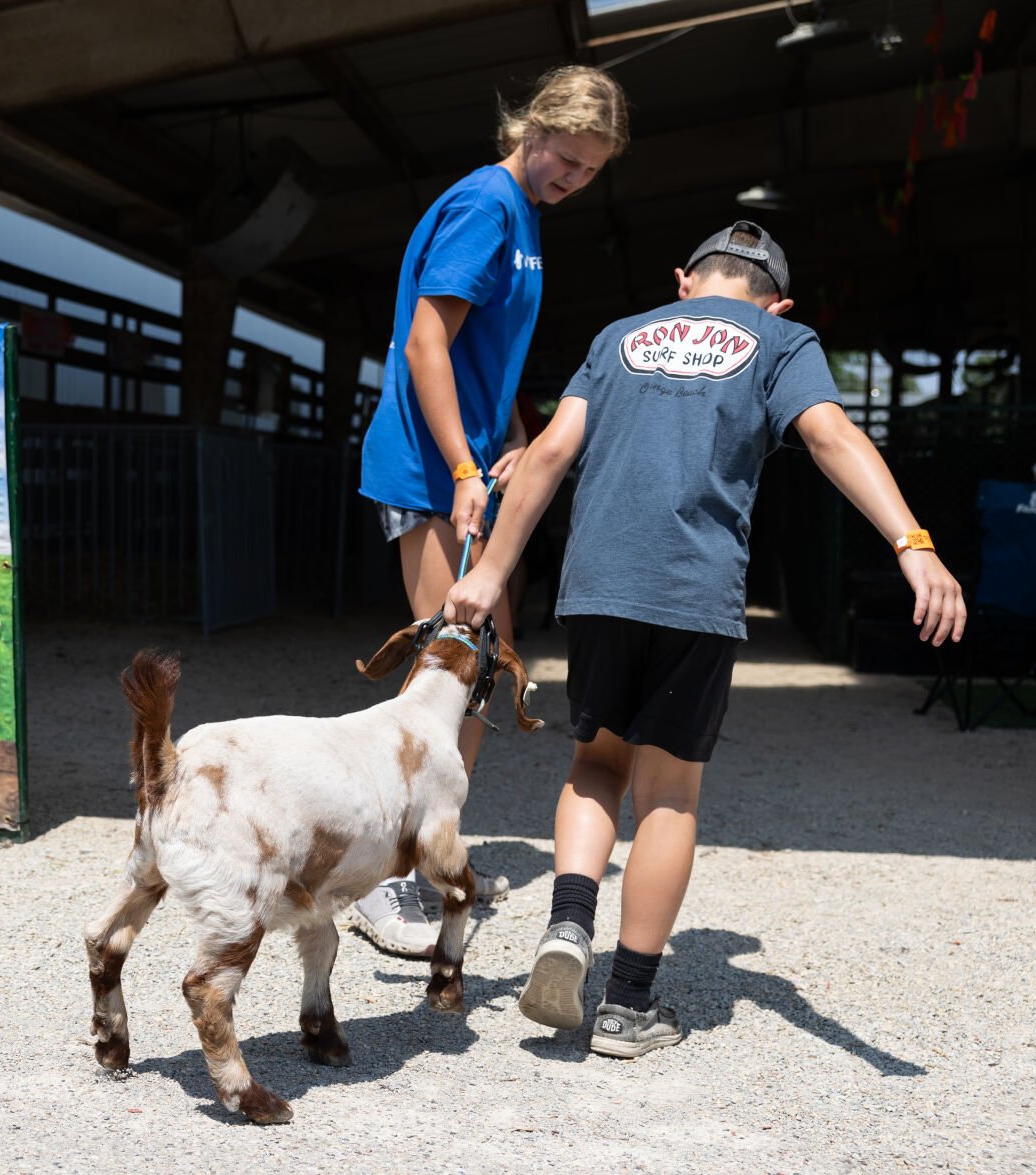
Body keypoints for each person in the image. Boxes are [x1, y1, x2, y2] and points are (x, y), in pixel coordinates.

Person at [444, 221, 966, 1056]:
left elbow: (545, 456)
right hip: (691, 592)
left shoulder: (617, 337)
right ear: (778, 300)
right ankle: (625, 1005)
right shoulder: (782, 339)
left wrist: (490, 572)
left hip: (599, 586)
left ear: (683, 281)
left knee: (595, 762)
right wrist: (914, 544)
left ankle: (570, 927)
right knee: (668, 794)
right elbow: (831, 434)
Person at [351, 64, 630, 958]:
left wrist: (509, 428)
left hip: (466, 461)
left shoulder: (523, 218)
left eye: (590, 171)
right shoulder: (484, 205)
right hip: (429, 467)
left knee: (474, 669)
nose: (573, 179)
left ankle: (429, 855)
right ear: (533, 128)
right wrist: (468, 461)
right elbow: (425, 337)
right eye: (568, 159)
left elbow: (483, 354)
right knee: (441, 674)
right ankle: (380, 877)